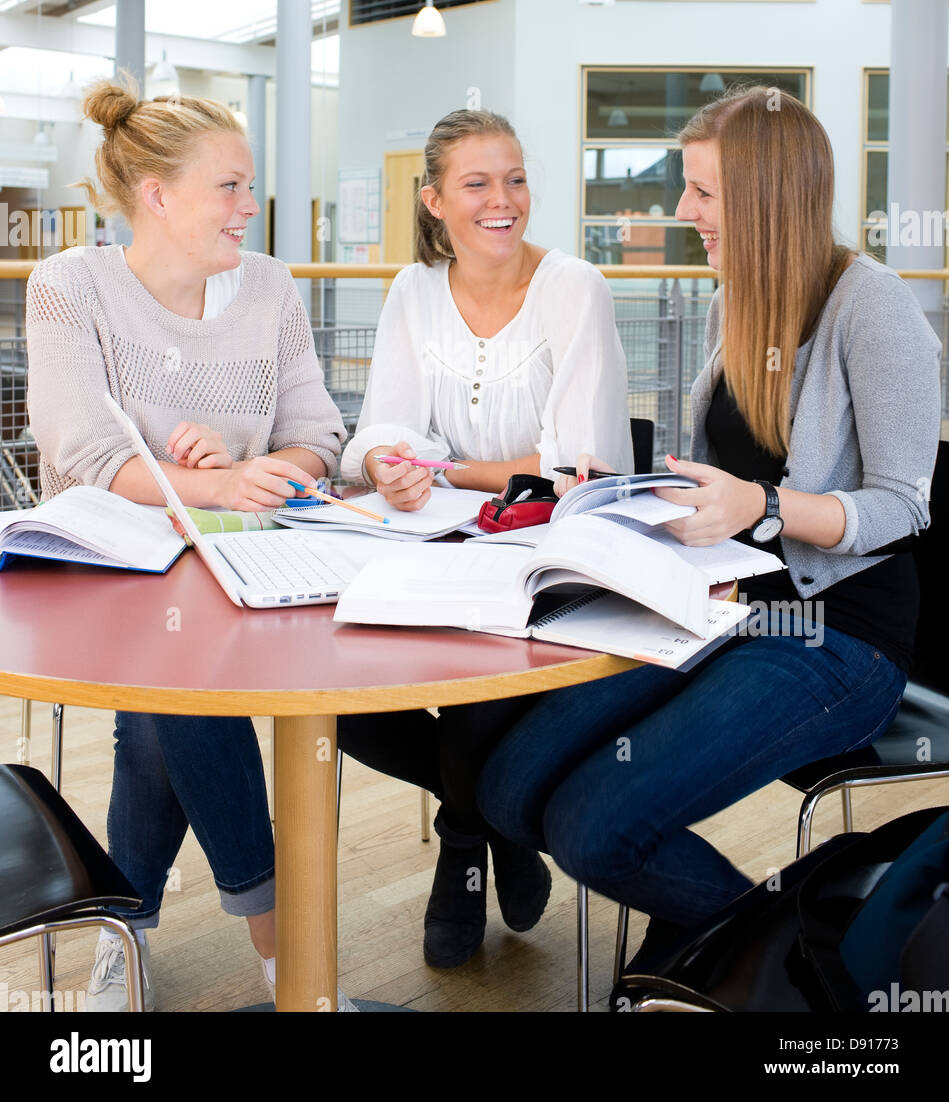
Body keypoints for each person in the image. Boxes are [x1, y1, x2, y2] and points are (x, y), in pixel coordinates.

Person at [477, 85, 942, 970]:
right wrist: (627, 494)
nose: (681, 209)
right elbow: (717, 473)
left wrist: (762, 509)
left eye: (702, 191)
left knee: (595, 828)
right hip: (720, 605)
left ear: (767, 196)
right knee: (506, 787)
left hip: (835, 636)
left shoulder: (869, 306)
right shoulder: (745, 296)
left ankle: (783, 966)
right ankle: (700, 931)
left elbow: (904, 506)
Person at [26, 78, 349, 1010]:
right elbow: (83, 454)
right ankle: (278, 931)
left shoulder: (272, 288)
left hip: (247, 561)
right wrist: (210, 485)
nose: (250, 208)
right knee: (181, 691)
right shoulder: (70, 285)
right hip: (106, 570)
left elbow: (317, 436)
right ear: (157, 196)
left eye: (249, 189)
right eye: (230, 187)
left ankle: (120, 925)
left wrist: (255, 474)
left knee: (158, 720)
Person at [335, 107, 633, 968]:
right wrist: (391, 462)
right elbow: (380, 430)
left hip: (538, 554)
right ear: (434, 200)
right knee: (349, 705)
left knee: (475, 692)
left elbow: (579, 465)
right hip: (426, 543)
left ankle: (461, 843)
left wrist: (450, 469)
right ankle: (501, 823)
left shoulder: (572, 285)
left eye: (514, 179)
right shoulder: (411, 292)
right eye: (476, 183)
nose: (501, 200)